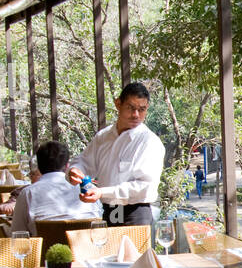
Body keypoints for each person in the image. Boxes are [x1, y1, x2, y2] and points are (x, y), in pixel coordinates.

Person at [66, 82, 165, 227]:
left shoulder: (149, 142)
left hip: (136, 213)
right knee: (110, 249)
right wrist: (75, 171)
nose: (136, 115)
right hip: (111, 209)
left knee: (135, 250)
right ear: (118, 104)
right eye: (131, 108)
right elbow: (84, 162)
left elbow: (145, 186)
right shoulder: (103, 137)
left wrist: (102, 192)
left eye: (141, 109)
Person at [10, 140, 101, 236]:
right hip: (88, 248)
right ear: (67, 166)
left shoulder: (28, 193)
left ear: (39, 167)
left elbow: (18, 234)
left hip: (45, 250)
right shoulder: (90, 190)